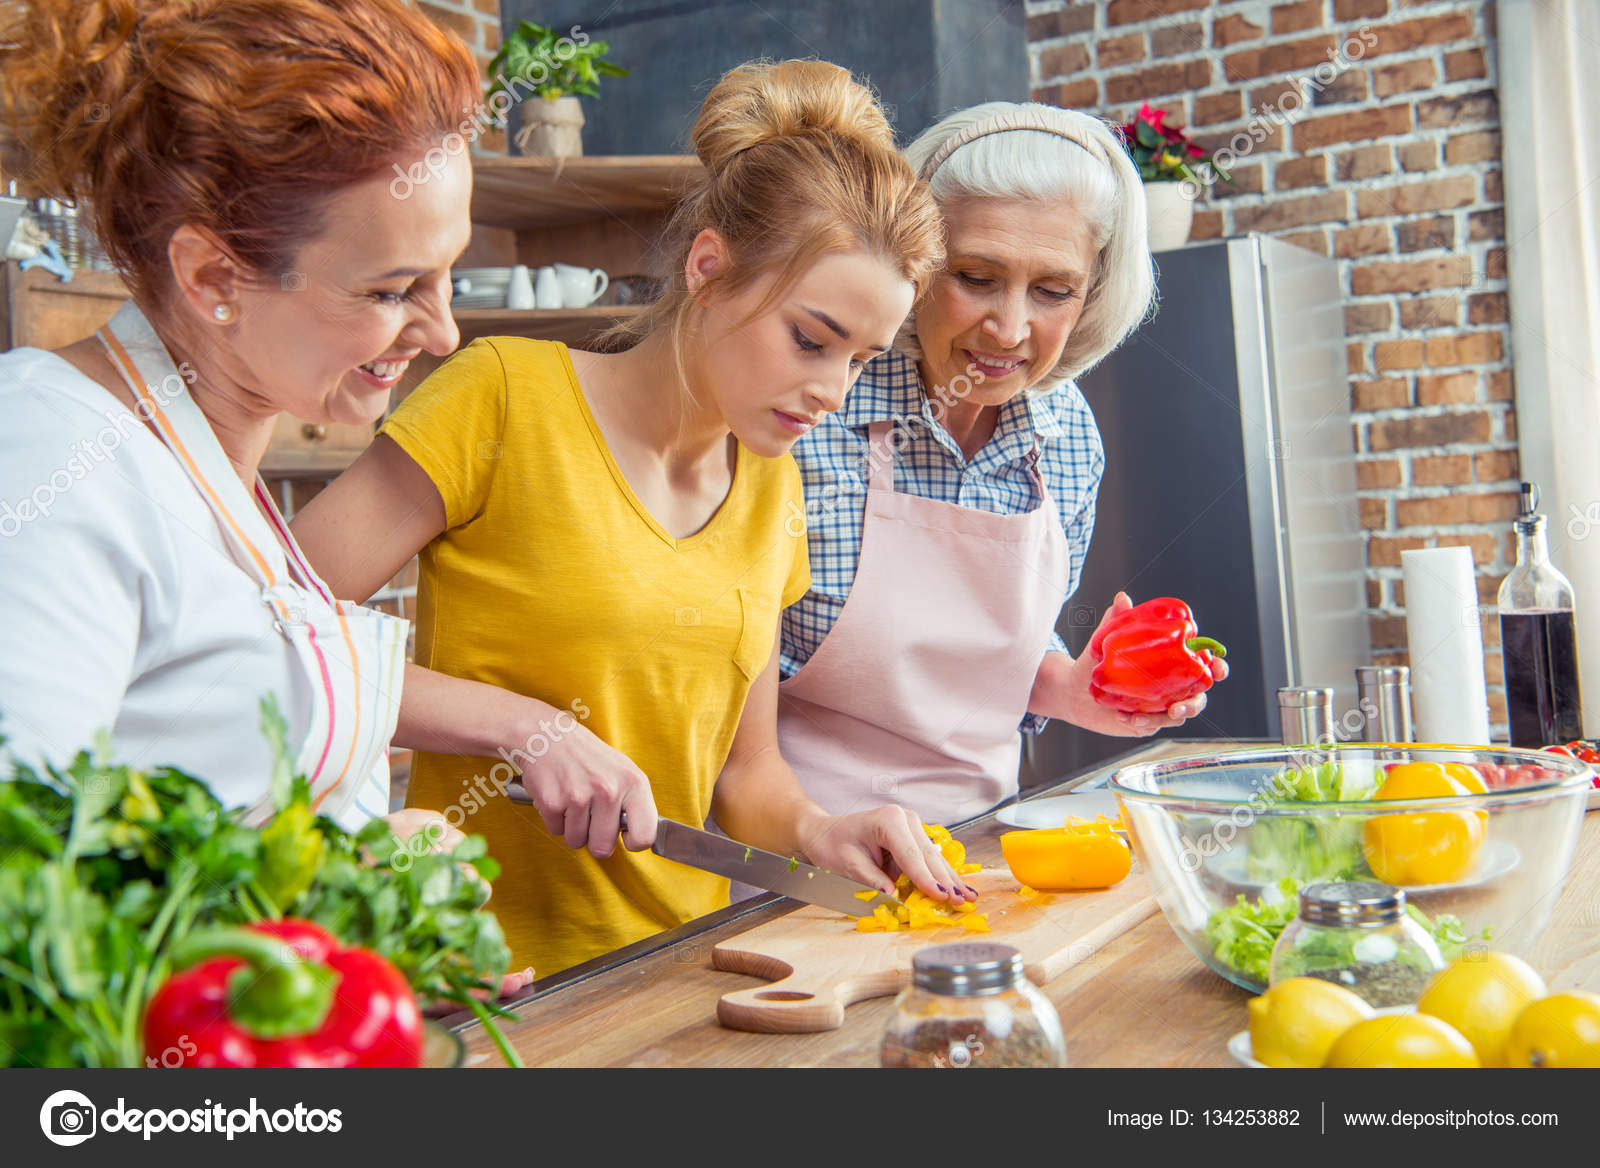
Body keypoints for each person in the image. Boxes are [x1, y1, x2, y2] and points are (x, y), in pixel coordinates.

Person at [289, 60, 968, 978]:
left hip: (683, 974)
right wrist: (527, 729)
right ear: (708, 268)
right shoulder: (503, 398)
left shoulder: (775, 487)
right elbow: (271, 633)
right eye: (810, 338)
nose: (830, 391)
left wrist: (818, 829)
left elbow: (744, 775)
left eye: (860, 358)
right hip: (484, 982)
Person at [0, 0, 534, 995]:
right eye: (389, 290)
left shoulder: (217, 477)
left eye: (448, 275)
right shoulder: (53, 458)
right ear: (214, 275)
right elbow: (23, 912)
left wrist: (374, 866)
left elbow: (217, 814)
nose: (442, 331)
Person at [777, 102, 1228, 825]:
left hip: (983, 849)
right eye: (976, 277)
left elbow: (1005, 655)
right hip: (791, 866)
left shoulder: (1068, 435)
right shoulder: (810, 413)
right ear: (913, 264)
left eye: (1054, 290)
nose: (1011, 329)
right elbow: (715, 661)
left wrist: (1071, 689)